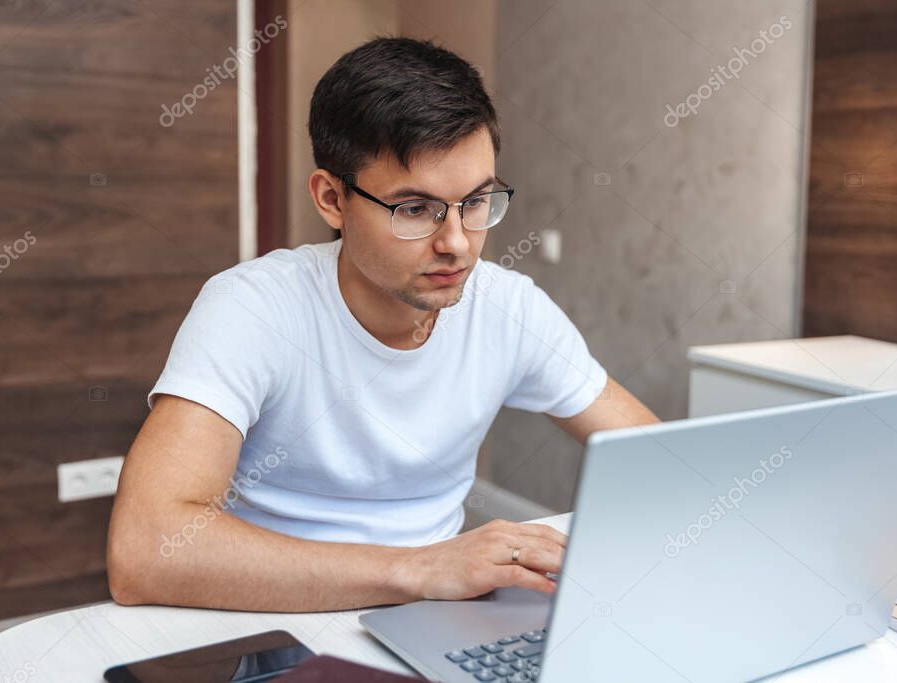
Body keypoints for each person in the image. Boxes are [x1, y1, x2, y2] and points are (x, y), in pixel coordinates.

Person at [107, 37, 659, 612]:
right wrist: (416, 569)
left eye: (476, 202)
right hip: (283, 615)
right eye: (415, 209)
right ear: (332, 199)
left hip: (440, 610)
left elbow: (659, 456)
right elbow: (144, 552)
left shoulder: (508, 306)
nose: (456, 243)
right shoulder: (254, 308)